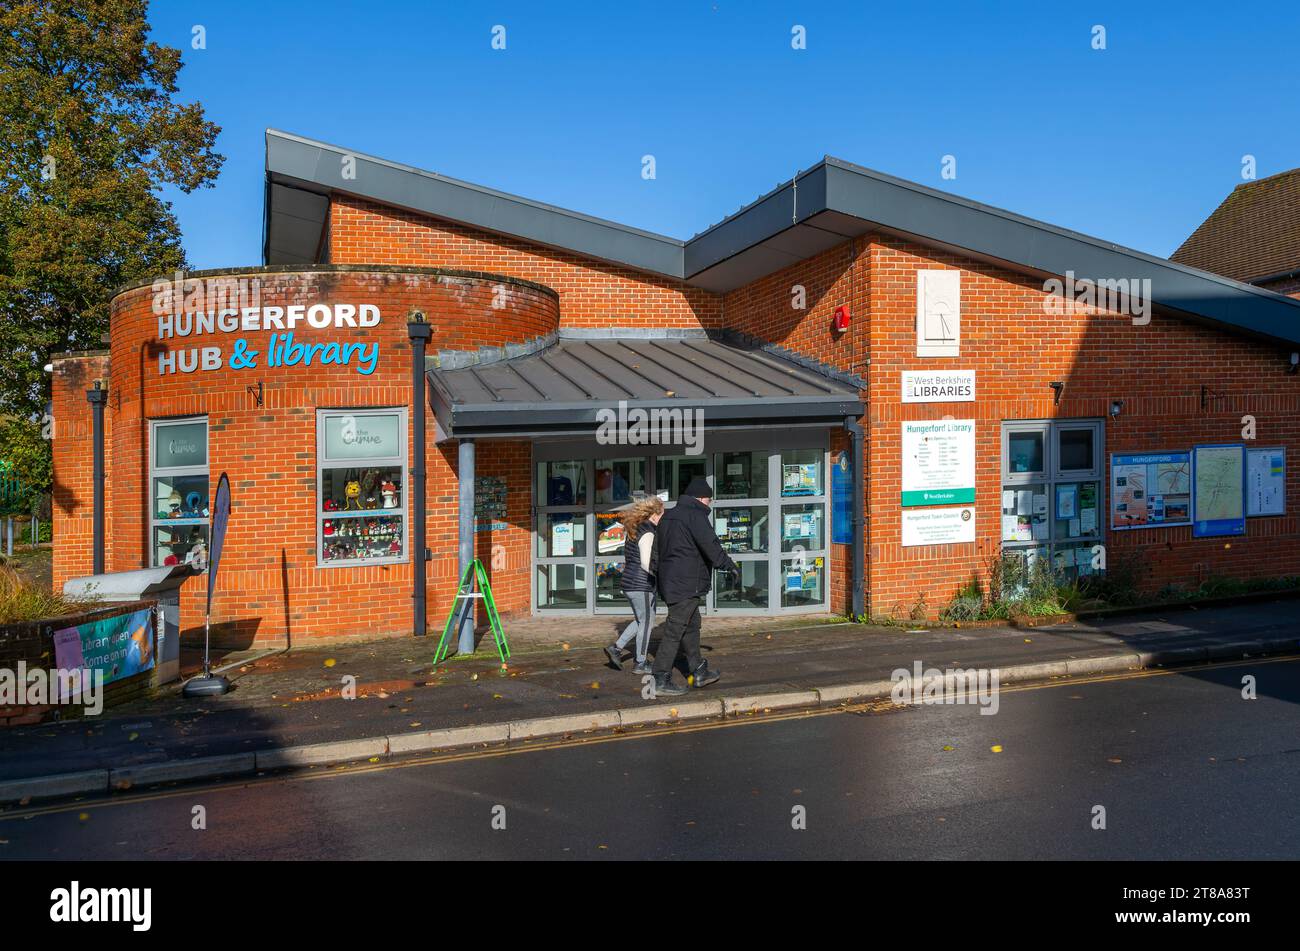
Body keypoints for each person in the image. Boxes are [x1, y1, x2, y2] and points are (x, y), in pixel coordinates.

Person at [649, 477, 737, 696]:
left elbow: (656, 553)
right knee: (675, 629)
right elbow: (710, 544)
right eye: (708, 499)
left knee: (691, 624)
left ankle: (698, 670)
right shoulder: (695, 515)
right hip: (687, 583)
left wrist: (657, 576)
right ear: (699, 498)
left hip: (671, 582)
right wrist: (728, 565)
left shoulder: (668, 516)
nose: (709, 504)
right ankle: (659, 678)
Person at [604, 496, 663, 674]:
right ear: (653, 515)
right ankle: (640, 662)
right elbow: (646, 563)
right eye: (662, 515)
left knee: (642, 620)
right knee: (646, 623)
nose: (663, 519)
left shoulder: (635, 529)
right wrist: (660, 574)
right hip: (641, 584)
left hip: (630, 582)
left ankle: (616, 648)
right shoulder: (648, 532)